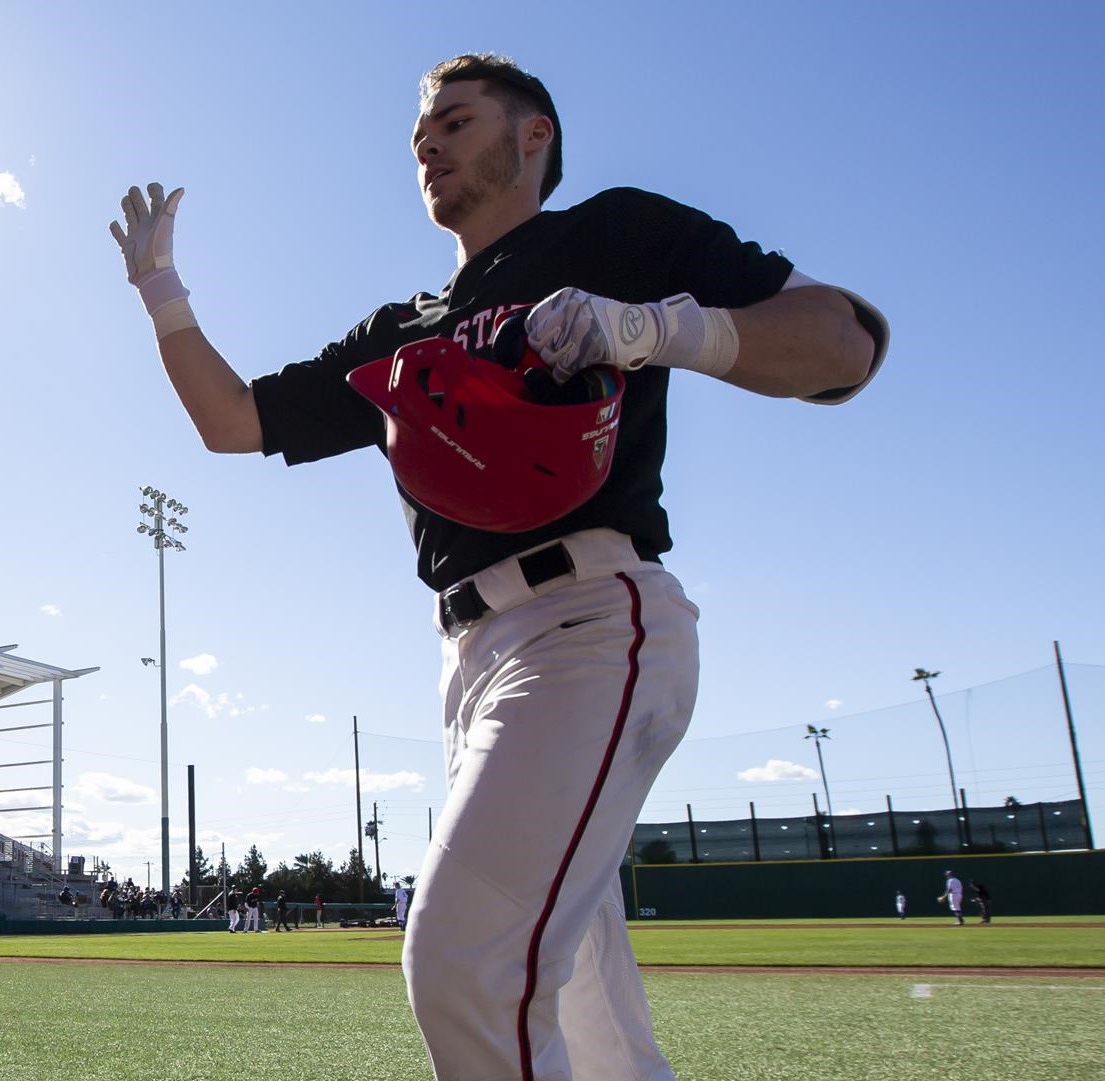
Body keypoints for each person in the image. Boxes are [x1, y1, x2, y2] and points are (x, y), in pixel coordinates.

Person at [110, 53, 885, 1081]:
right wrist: (161, 292)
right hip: (472, 666)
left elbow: (846, 342)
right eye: (419, 134)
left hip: (591, 624)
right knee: (586, 1012)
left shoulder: (609, 234)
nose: (426, 143)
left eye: (455, 121)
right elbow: (232, 420)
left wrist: (656, 328)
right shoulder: (403, 331)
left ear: (533, 138)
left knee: (463, 961)